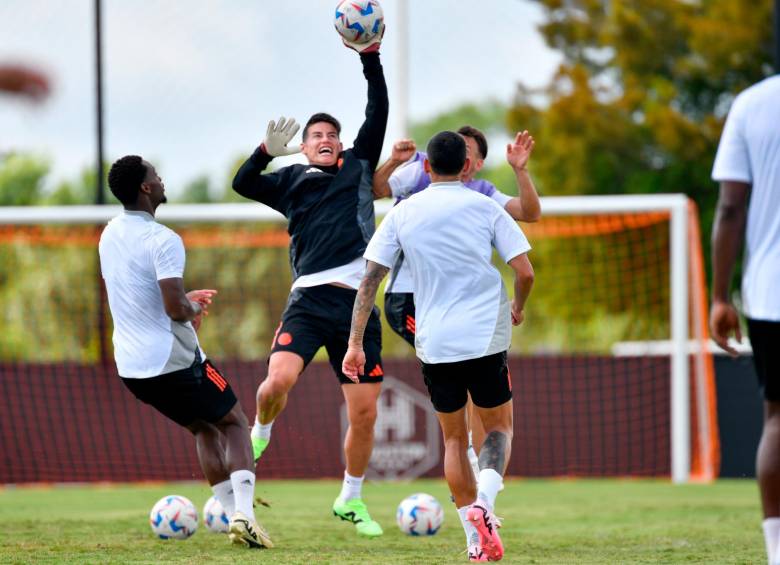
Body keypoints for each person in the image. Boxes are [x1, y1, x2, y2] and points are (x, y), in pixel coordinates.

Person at [343, 131, 535, 562]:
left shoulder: (403, 213)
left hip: (434, 341)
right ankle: (486, 504)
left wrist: (355, 343)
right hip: (484, 334)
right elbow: (524, 272)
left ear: (427, 167)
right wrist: (517, 307)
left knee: (453, 441)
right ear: (466, 166)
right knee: (498, 428)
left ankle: (473, 542)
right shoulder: (485, 206)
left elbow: (370, 281)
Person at [231, 31, 387, 538]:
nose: (324, 139)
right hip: (307, 302)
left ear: (340, 145)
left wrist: (371, 59)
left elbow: (377, 109)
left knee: (363, 415)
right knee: (277, 383)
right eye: (315, 135)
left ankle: (351, 498)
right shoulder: (291, 181)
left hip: (357, 309)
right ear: (303, 146)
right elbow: (243, 184)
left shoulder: (358, 168)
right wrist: (262, 153)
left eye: (331, 135)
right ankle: (261, 431)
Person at [99, 155, 271, 550]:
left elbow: (136, 292)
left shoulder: (109, 234)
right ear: (145, 188)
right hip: (171, 358)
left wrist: (179, 301)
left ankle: (234, 520)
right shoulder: (163, 239)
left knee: (203, 427)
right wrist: (191, 308)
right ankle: (244, 513)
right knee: (234, 422)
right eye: (155, 176)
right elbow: (175, 309)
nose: (161, 180)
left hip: (131, 368)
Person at [372, 127, 540, 475]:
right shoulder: (419, 174)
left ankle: (471, 472)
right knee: (462, 380)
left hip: (459, 311)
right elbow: (375, 190)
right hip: (408, 300)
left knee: (468, 389)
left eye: (468, 151)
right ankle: (473, 471)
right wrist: (392, 162)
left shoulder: (482, 196)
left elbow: (529, 211)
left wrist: (520, 171)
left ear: (474, 164)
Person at [710, 74, 780, 565]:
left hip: (772, 291)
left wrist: (719, 296)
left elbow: (731, 207)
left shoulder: (753, 103)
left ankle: (778, 551)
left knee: (777, 419)